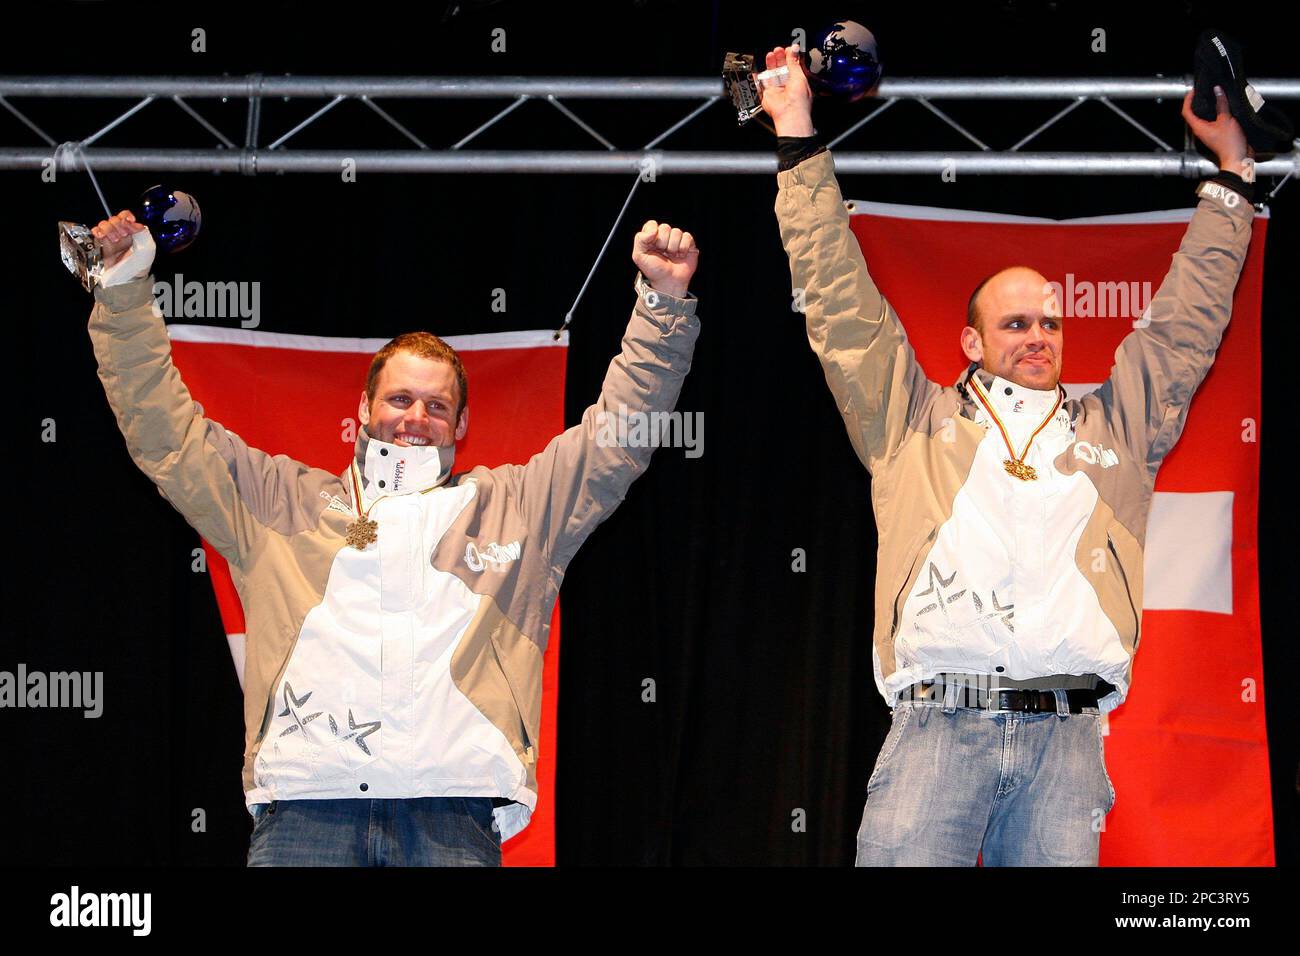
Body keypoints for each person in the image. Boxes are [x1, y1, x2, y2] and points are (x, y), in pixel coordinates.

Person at [760, 43, 1256, 866]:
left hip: (1064, 748)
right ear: (971, 340)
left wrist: (1234, 172)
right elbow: (840, 301)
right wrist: (797, 137)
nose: (1038, 336)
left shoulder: (1114, 432)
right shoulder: (911, 423)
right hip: (933, 734)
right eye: (1016, 323)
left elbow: (1185, 325)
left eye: (1051, 322)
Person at [86, 213, 700, 866]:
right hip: (305, 815)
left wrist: (661, 303)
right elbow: (167, 436)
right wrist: (123, 289)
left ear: (461, 422)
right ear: (363, 410)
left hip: (452, 816)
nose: (416, 418)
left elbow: (619, 436)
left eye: (436, 407)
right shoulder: (278, 504)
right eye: (400, 400)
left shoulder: (514, 508)